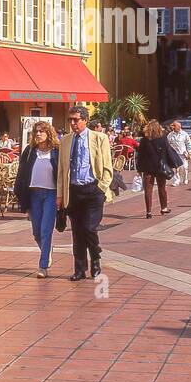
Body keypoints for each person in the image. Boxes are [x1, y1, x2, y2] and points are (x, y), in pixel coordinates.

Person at [57, 106, 114, 282]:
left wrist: (101, 188)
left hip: (93, 190)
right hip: (73, 190)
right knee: (77, 231)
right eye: (70, 120)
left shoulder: (99, 138)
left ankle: (95, 257)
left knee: (90, 228)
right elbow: (61, 171)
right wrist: (60, 196)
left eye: (76, 120)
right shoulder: (65, 140)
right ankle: (80, 268)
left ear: (85, 120)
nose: (72, 123)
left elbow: (107, 167)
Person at [13, 121, 60, 278]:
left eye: (42, 131)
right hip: (33, 194)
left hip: (51, 194)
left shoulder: (56, 152)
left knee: (46, 230)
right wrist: (19, 194)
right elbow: (22, 173)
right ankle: (47, 250)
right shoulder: (29, 151)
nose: (38, 134)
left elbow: (62, 174)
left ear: (49, 133)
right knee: (36, 232)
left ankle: (43, 266)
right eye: (36, 131)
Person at [135, 120, 180, 219]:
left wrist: (138, 168)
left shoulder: (144, 140)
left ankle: (149, 211)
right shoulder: (163, 139)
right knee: (162, 188)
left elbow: (140, 155)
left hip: (147, 168)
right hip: (160, 168)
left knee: (148, 190)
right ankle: (164, 208)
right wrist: (174, 164)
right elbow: (168, 152)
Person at [166, 121, 191, 186]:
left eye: (174, 126)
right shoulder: (170, 135)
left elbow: (188, 143)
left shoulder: (184, 134)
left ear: (179, 127)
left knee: (184, 167)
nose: (173, 127)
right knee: (175, 168)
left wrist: (189, 152)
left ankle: (185, 178)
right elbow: (167, 144)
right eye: (172, 126)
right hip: (174, 154)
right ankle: (176, 180)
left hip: (183, 153)